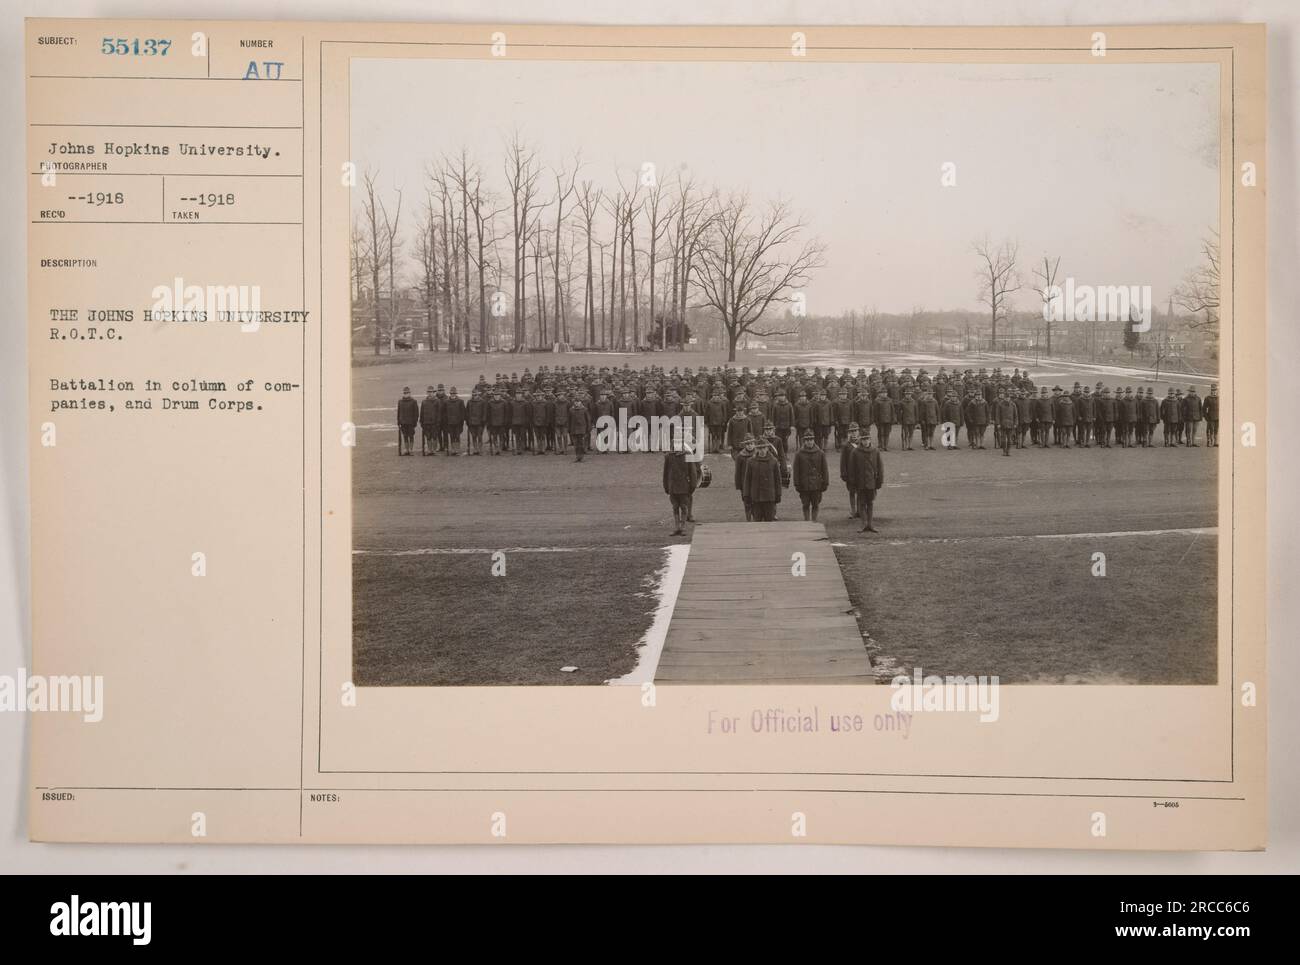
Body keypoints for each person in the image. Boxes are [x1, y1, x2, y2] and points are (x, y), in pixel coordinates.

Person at [849, 433, 884, 533]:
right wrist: (853, 483)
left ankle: (870, 524)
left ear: (870, 439)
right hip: (860, 483)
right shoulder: (855, 452)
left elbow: (880, 468)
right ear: (861, 440)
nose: (865, 441)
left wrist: (879, 481)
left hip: (871, 483)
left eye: (867, 439)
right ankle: (863, 524)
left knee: (870, 503)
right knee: (862, 503)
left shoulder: (875, 451)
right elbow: (852, 469)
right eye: (863, 439)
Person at [792, 429, 830, 521]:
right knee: (805, 504)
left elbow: (824, 470)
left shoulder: (820, 453)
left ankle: (814, 521)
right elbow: (796, 471)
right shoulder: (799, 454)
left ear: (814, 440)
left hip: (816, 485)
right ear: (804, 441)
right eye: (807, 440)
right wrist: (797, 484)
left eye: (811, 440)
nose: (809, 442)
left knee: (815, 504)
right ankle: (807, 521)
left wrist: (825, 483)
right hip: (804, 485)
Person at [743, 436, 783, 522]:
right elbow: (747, 480)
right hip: (756, 498)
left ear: (767, 448)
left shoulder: (774, 461)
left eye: (763, 448)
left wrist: (778, 494)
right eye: (759, 448)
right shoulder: (751, 461)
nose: (762, 450)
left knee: (769, 522)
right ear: (756, 449)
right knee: (757, 522)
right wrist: (746, 495)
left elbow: (777, 480)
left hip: (769, 498)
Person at [663, 448, 701, 536]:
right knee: (675, 507)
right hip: (673, 487)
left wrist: (692, 486)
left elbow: (693, 473)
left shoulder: (688, 455)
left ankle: (682, 527)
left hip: (684, 486)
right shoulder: (668, 457)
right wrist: (666, 486)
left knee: (684, 507)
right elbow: (665, 473)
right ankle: (677, 527)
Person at [734, 434, 756, 521]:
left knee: (755, 500)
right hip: (744, 483)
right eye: (747, 444)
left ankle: (755, 517)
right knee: (747, 500)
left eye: (751, 443)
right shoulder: (740, 456)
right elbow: (738, 472)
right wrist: (738, 485)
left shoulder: (757, 454)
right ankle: (748, 517)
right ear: (745, 445)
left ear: (754, 444)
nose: (750, 446)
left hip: (755, 482)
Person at [993, 389, 1018, 456]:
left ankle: (1008, 451)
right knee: (1003, 438)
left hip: (1011, 424)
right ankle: (1004, 451)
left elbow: (1015, 415)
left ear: (1010, 398)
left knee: (1009, 439)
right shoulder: (1000, 404)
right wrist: (998, 423)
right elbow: (997, 415)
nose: (1007, 399)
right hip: (1002, 424)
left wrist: (1016, 423)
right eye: (1006, 398)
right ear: (1004, 398)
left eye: (1008, 398)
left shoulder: (1013, 405)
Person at [396, 386, 420, 457]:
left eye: (407, 393)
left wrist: (415, 422)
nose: (406, 394)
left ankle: (411, 450)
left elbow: (416, 413)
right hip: (403, 422)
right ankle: (407, 450)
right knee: (405, 436)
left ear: (410, 393)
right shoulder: (400, 402)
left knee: (411, 436)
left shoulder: (413, 401)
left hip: (411, 423)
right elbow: (399, 412)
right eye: (405, 393)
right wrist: (398, 421)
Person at [418, 385, 440, 456]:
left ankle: (434, 450)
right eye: (429, 392)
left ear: (434, 392)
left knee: (434, 437)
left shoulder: (437, 401)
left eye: (431, 392)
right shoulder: (424, 402)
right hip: (426, 422)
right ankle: (430, 450)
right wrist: (421, 421)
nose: (430, 393)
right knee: (428, 437)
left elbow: (439, 413)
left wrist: (438, 422)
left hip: (434, 422)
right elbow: (422, 413)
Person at [569, 397, 591, 462]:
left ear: (580, 402)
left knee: (581, 444)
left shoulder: (584, 409)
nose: (576, 403)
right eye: (575, 402)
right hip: (574, 430)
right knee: (576, 445)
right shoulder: (571, 410)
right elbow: (569, 420)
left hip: (582, 430)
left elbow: (588, 420)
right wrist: (569, 429)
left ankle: (581, 457)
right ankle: (577, 457)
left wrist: (588, 429)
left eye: (578, 401)